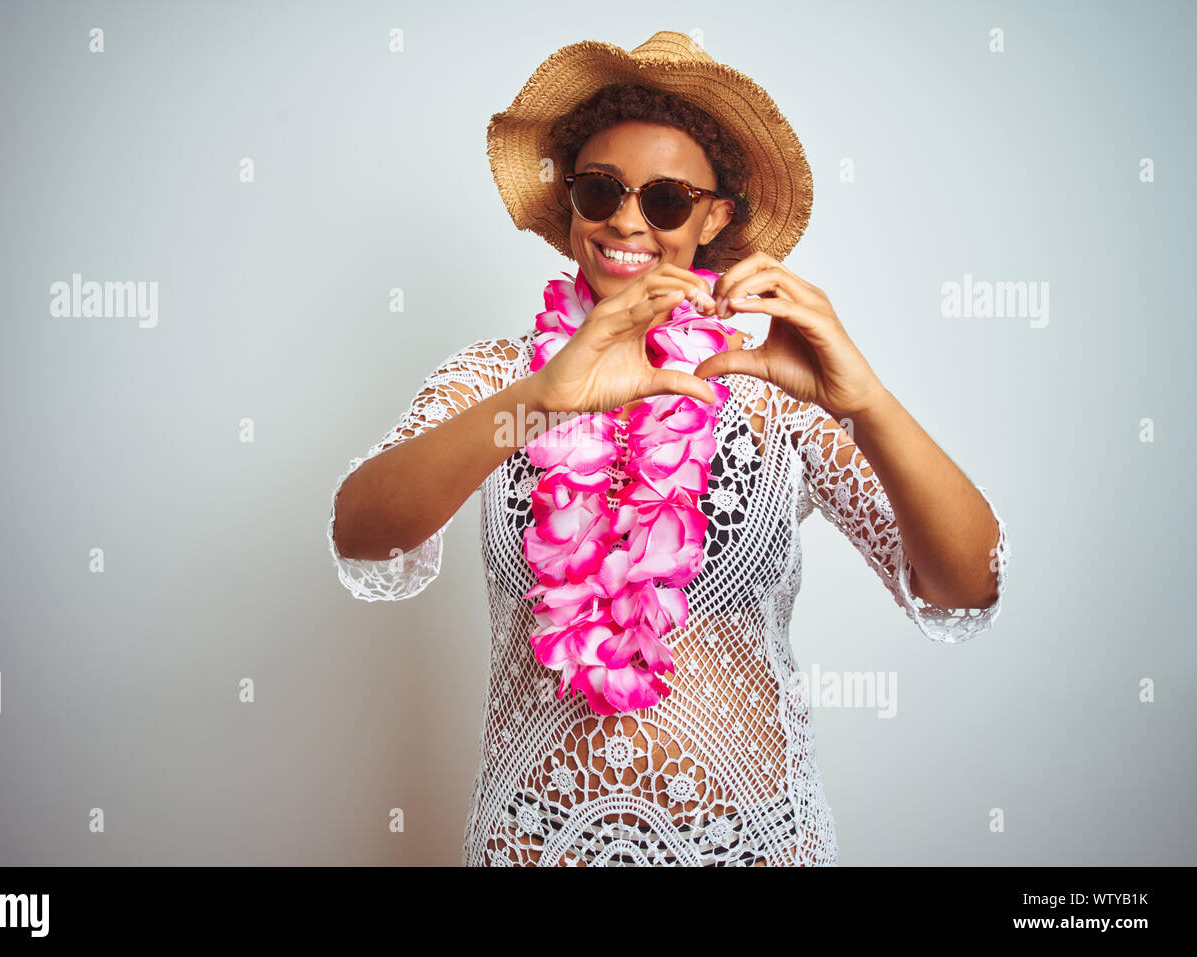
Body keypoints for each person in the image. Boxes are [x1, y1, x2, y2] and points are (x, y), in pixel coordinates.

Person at [328, 31, 1010, 866]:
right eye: (600, 189)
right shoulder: (499, 380)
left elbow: (965, 585)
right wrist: (536, 403)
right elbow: (364, 534)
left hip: (756, 840)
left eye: (665, 200)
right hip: (533, 843)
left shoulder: (768, 391)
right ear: (572, 201)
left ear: (715, 216)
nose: (625, 219)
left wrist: (863, 400)